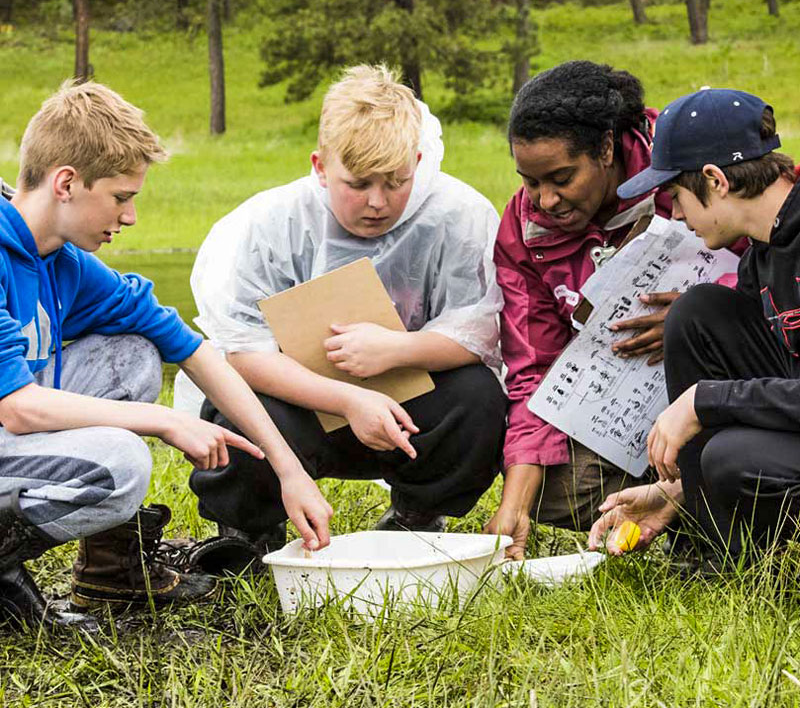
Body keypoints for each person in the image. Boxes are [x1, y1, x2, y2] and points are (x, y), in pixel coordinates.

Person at [0, 81, 332, 631]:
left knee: (131, 356)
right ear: (66, 183)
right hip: (11, 418)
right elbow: (17, 408)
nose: (130, 216)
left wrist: (289, 470)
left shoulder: (62, 263)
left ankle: (110, 572)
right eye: (121, 197)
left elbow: (194, 350)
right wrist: (163, 419)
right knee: (120, 464)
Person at [188, 64, 506, 552]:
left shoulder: (458, 217)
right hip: (298, 404)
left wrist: (397, 350)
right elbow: (242, 353)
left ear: (418, 162)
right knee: (237, 410)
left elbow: (481, 331)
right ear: (320, 166)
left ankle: (418, 514)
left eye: (396, 182)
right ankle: (250, 531)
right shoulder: (267, 225)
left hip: (410, 403)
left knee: (478, 395)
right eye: (358, 184)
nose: (377, 202)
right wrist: (349, 399)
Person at [484, 61, 695, 560]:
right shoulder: (523, 230)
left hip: (712, 394)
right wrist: (515, 504)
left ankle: (703, 493)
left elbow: (769, 272)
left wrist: (696, 316)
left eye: (561, 178)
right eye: (530, 182)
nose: (545, 200)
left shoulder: (684, 166)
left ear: (605, 148)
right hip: (620, 413)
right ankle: (676, 498)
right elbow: (533, 366)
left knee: (731, 457)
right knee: (548, 492)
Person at [589, 88, 800, 566]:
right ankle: (708, 540)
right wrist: (678, 492)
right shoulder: (764, 251)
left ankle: (754, 563)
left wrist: (707, 400)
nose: (678, 215)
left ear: (714, 180)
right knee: (698, 312)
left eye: (676, 197)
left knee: (732, 457)